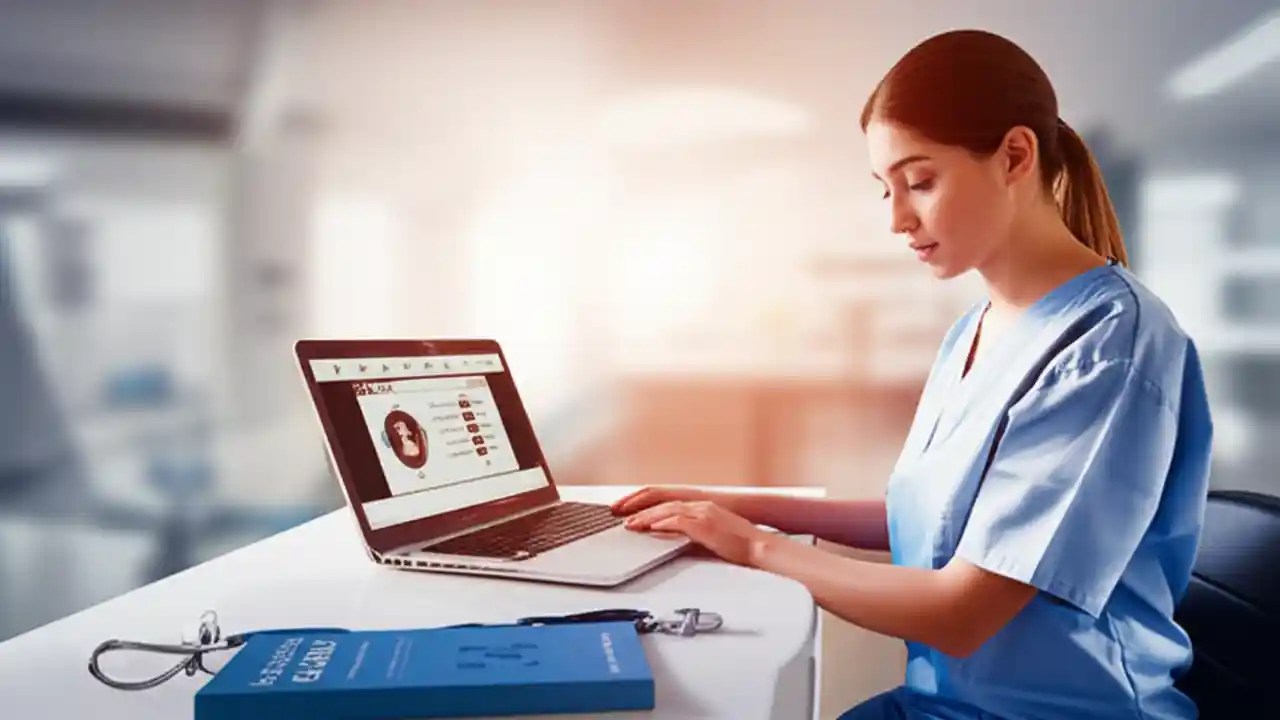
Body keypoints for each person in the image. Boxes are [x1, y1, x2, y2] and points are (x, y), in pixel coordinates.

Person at [612, 29, 1211, 720]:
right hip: (943, 706)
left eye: (921, 181)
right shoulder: (975, 330)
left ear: (1015, 156)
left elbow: (963, 611)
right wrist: (739, 506)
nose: (897, 218)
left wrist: (752, 546)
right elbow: (935, 522)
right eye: (886, 189)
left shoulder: (1110, 346)